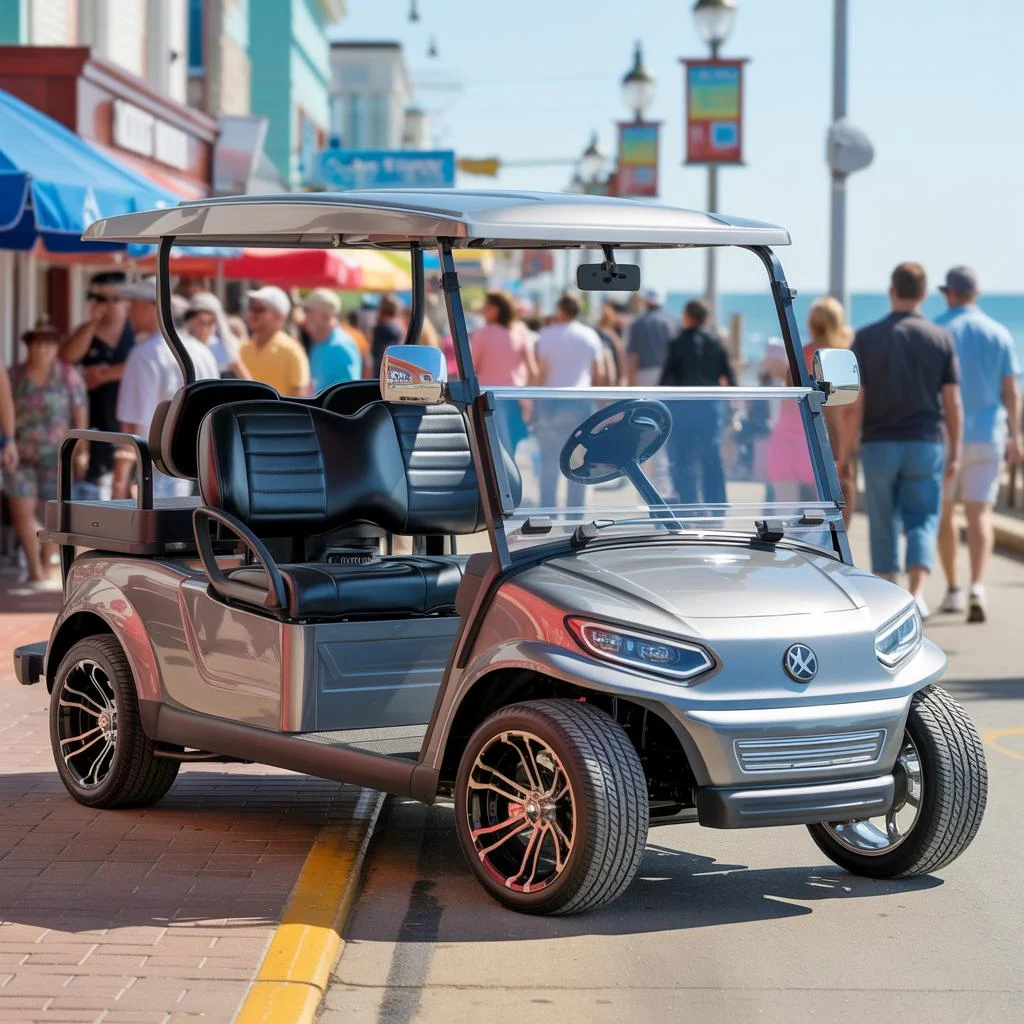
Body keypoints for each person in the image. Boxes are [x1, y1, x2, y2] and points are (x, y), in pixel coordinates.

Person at [838, 262, 962, 619]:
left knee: (882, 518)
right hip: (926, 442)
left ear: (892, 290)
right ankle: (918, 593)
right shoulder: (940, 338)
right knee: (923, 518)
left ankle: (889, 595)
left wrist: (844, 452)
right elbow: (953, 401)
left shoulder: (867, 337)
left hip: (879, 443)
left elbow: (854, 403)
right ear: (923, 294)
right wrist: (954, 447)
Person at [934, 267, 1021, 622]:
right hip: (988, 433)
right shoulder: (999, 333)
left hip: (945, 435)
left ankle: (954, 588)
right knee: (980, 513)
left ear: (948, 293)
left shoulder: (939, 330)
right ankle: (977, 587)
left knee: (945, 513)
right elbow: (1011, 391)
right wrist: (1017, 434)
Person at [113, 278, 219, 499]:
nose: (129, 311)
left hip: (157, 473)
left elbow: (134, 425)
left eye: (134, 303)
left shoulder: (143, 355)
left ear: (153, 305)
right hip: (202, 471)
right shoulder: (203, 351)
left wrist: (120, 482)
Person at [4, 323, 88, 585]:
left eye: (49, 343)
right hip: (20, 455)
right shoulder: (14, 375)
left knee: (55, 515)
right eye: (37, 343)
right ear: (28, 346)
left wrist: (82, 450)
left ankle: (45, 562)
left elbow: (80, 412)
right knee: (21, 511)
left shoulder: (67, 375)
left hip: (58, 456)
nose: (43, 349)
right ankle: (34, 569)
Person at [58, 271, 134, 500]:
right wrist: (93, 322)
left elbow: (150, 360)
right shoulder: (86, 331)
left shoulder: (136, 331)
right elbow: (67, 357)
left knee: (129, 487)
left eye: (115, 299)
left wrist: (108, 374)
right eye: (102, 299)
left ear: (127, 301)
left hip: (127, 423)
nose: (109, 306)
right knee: (95, 490)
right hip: (94, 425)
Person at [659, 298, 736, 505]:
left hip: (682, 408)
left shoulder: (677, 344)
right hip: (710, 409)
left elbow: (666, 381)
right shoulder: (716, 344)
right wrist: (729, 409)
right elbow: (730, 378)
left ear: (687, 316)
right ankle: (717, 505)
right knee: (711, 458)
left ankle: (688, 504)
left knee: (682, 459)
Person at [534, 293, 605, 509]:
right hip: (580, 402)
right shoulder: (590, 335)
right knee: (579, 461)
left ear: (560, 310)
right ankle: (574, 515)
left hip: (551, 402)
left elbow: (542, 373)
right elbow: (598, 373)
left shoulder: (546, 335)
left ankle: (547, 511)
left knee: (549, 460)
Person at [471, 290, 540, 453]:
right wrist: (528, 398)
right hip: (516, 398)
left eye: (486, 307)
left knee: (492, 451)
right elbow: (533, 371)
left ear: (496, 309)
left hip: (488, 398)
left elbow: (473, 366)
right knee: (512, 449)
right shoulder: (521, 330)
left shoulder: (482, 333)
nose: (484, 311)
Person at [240, 286, 310, 397]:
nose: (251, 314)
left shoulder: (292, 351)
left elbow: (300, 398)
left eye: (259, 310)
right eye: (251, 308)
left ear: (278, 316)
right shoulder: (243, 348)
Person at [304, 289, 362, 391]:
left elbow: (350, 394)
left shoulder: (341, 347)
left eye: (309, 311)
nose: (306, 316)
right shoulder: (318, 343)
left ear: (326, 316)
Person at [183, 291, 250, 379]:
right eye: (202, 322)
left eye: (210, 322)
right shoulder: (183, 347)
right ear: (191, 321)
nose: (205, 328)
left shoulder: (224, 347)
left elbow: (246, 379)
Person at [625, 288, 675, 386]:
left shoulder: (637, 324)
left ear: (645, 302)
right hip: (668, 372)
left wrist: (631, 384)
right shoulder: (673, 322)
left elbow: (632, 356)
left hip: (643, 373)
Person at [371, 294, 405, 375]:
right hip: (396, 369)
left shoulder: (381, 328)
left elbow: (375, 351)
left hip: (382, 370)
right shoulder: (397, 327)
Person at [596, 302, 626, 385]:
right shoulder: (614, 337)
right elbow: (622, 364)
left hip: (599, 384)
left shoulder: (594, 335)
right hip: (611, 384)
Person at [344, 310, 372, 376]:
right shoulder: (360, 336)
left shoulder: (342, 332)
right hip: (354, 372)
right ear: (358, 322)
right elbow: (366, 360)